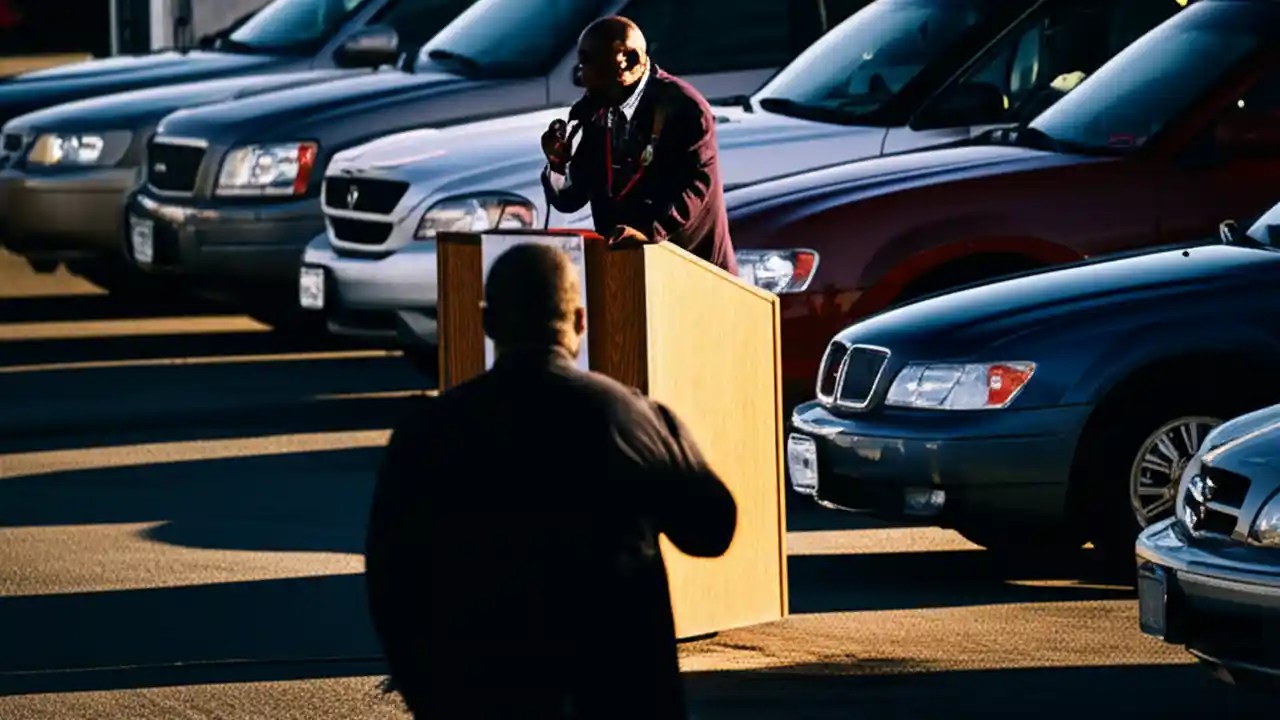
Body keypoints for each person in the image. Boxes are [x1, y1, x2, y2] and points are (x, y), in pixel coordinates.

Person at [364, 242, 738, 719]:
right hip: (621, 694)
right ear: (580, 322)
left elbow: (391, 580)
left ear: (488, 323)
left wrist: (427, 692)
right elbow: (712, 529)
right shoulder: (632, 418)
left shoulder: (428, 433)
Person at [540, 16, 737, 275]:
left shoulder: (685, 109)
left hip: (693, 273)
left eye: (591, 63)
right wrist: (557, 165)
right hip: (625, 272)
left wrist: (645, 234)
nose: (583, 78)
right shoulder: (594, 110)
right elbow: (572, 199)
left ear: (630, 61)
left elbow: (693, 192)